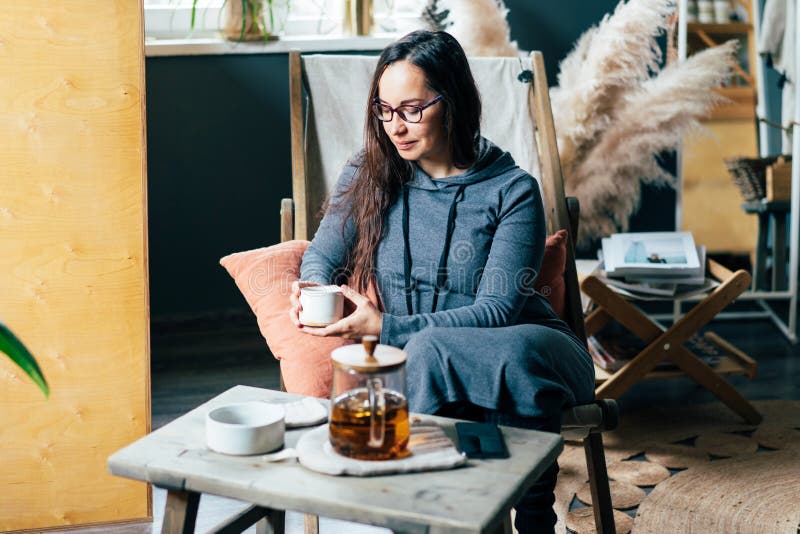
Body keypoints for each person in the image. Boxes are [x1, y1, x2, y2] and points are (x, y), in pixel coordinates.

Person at [288, 30, 594, 534]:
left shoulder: (512, 190)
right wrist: (315, 292)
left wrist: (385, 327)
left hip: (530, 351)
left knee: (433, 350)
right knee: (428, 352)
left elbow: (498, 312)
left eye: (411, 109)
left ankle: (525, 516)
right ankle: (462, 515)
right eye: (384, 111)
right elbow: (321, 256)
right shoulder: (370, 173)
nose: (395, 127)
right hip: (435, 368)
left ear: (451, 102)